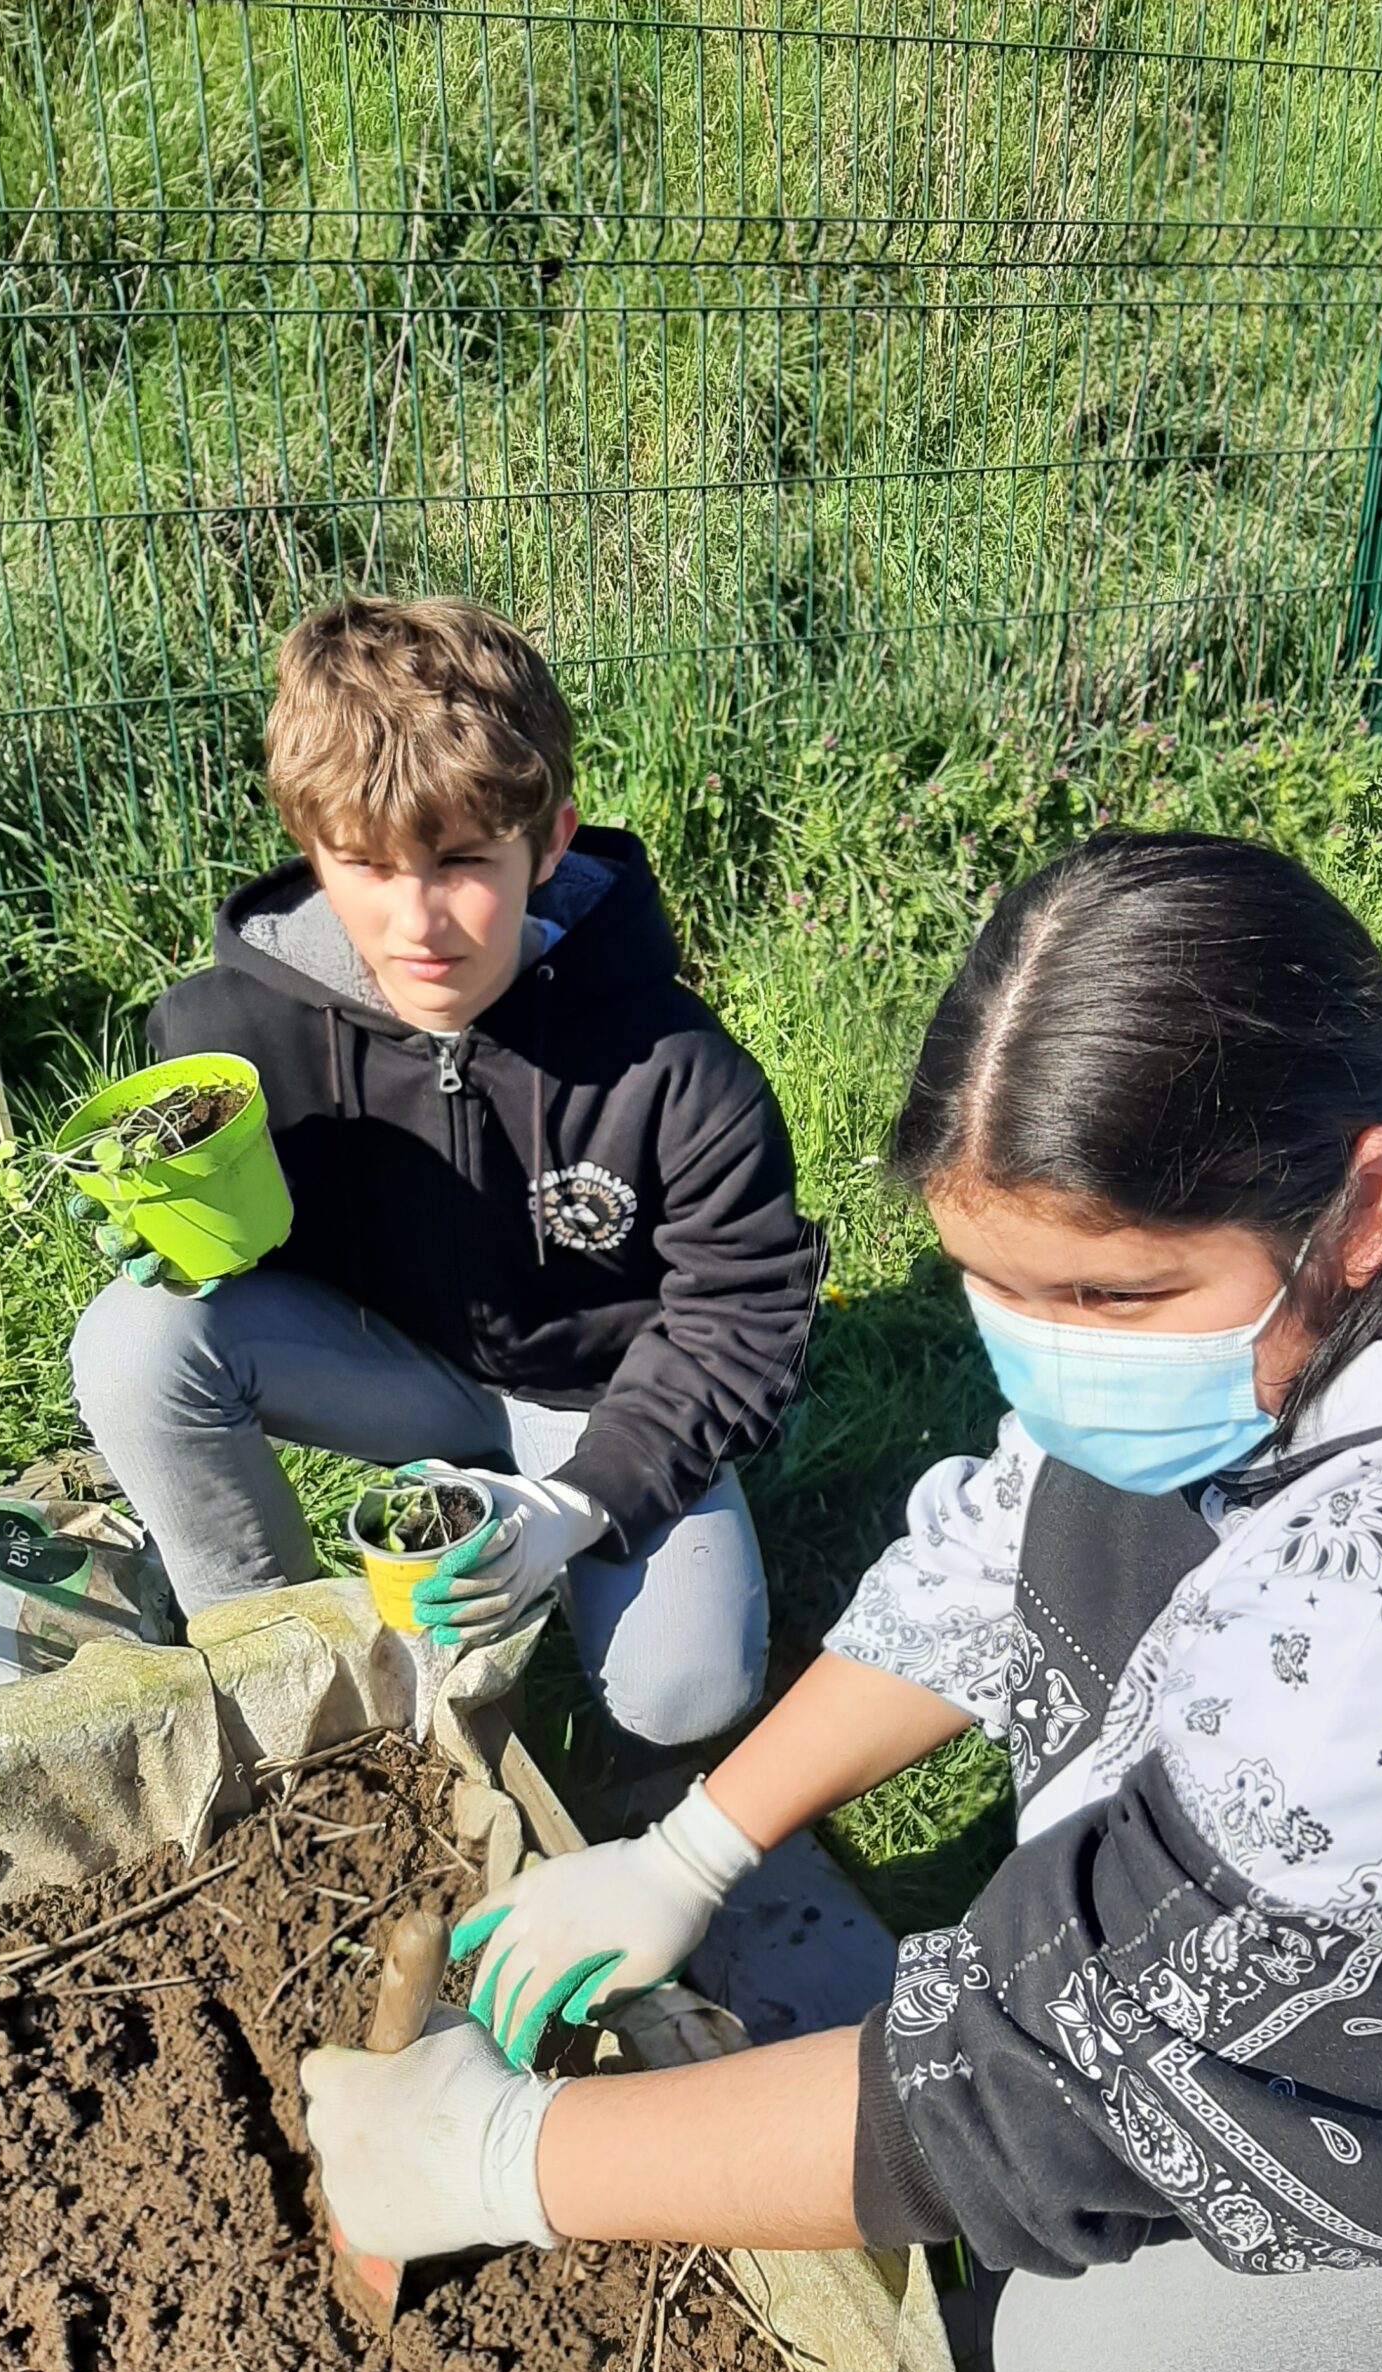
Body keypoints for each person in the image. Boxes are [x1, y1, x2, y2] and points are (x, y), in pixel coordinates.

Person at [303, 830, 1382, 2372]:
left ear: (1362, 1205)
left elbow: (1024, 2104)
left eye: (1114, 1297)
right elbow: (1022, 1524)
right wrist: (690, 1848)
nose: (1054, 1348)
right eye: (997, 1285)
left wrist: (496, 2162)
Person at [72, 597, 821, 1778]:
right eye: (365, 865)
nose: (417, 922)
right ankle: (278, 1662)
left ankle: (566, 1525)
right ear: (310, 846)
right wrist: (184, 1231)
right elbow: (235, 1264)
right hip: (390, 1365)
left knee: (683, 1694)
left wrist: (581, 1502)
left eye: (465, 862)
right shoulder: (225, 1033)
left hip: (597, 1392)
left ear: (552, 841)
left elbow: (745, 1309)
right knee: (136, 1338)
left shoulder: (670, 1059)